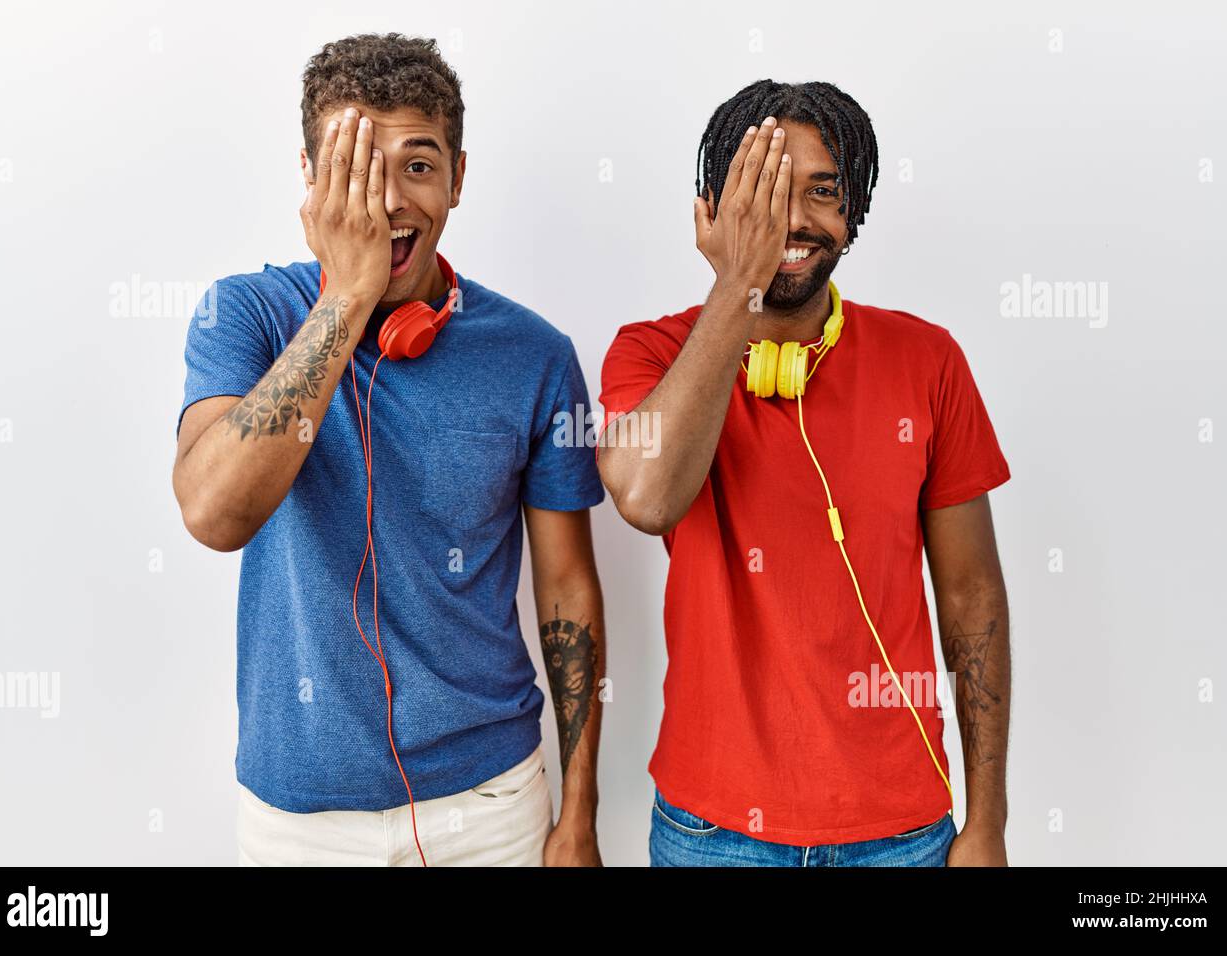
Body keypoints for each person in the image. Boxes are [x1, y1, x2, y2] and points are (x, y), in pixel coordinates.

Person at [173, 33, 606, 867]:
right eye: (356, 166)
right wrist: (348, 295)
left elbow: (567, 586)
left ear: (458, 177)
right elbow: (214, 513)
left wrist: (579, 809)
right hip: (301, 823)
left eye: (416, 164)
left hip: (493, 804)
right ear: (310, 176)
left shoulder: (536, 355)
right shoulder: (243, 317)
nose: (388, 200)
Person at [597, 80, 1011, 867]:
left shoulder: (930, 361)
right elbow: (648, 498)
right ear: (711, 211)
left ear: (853, 212)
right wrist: (737, 286)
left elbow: (972, 598)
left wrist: (987, 821)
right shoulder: (650, 355)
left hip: (901, 831)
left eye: (821, 191)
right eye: (762, 193)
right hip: (711, 834)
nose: (792, 219)